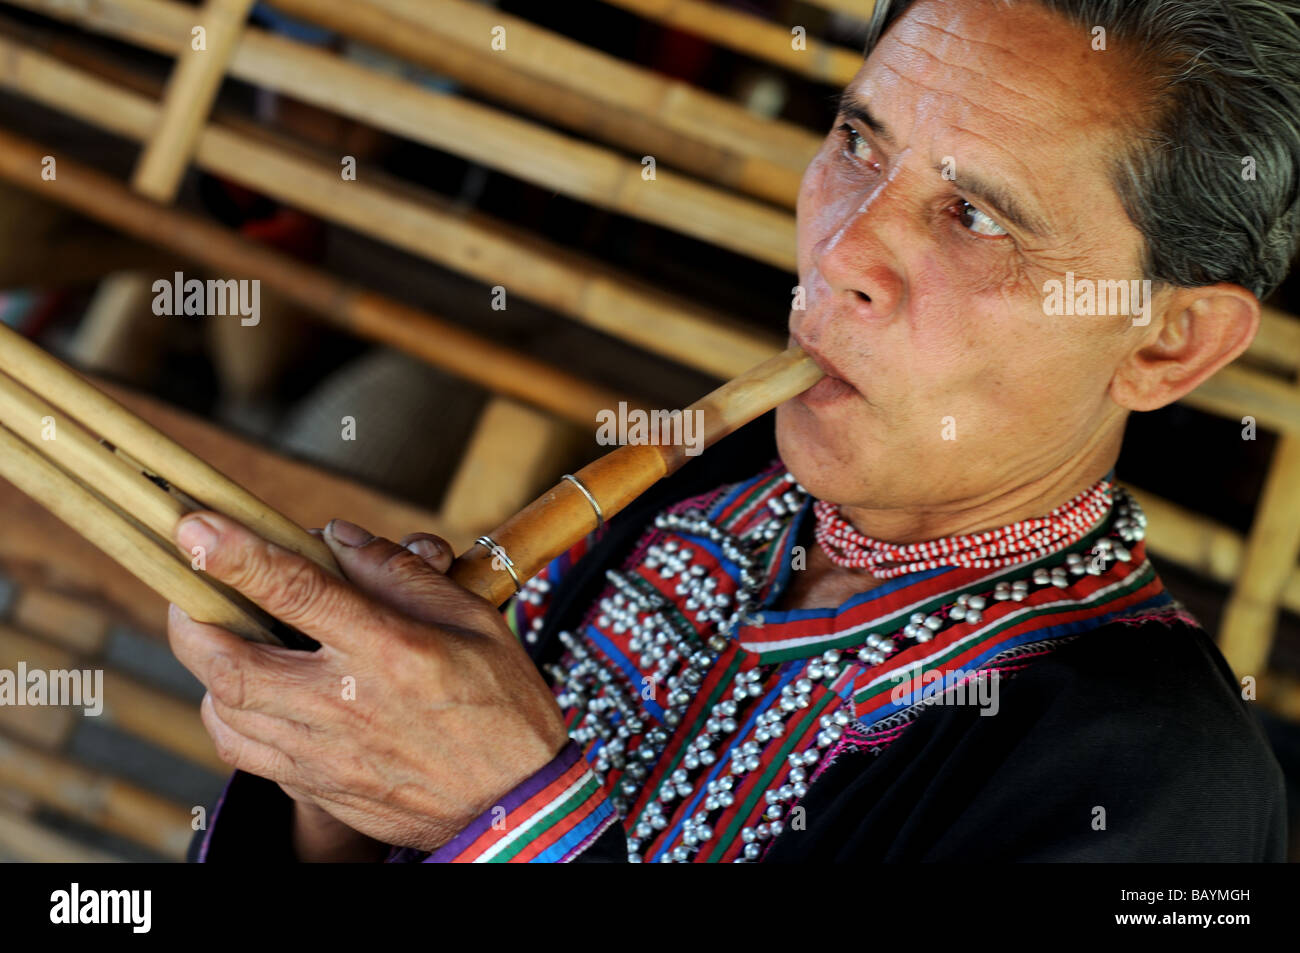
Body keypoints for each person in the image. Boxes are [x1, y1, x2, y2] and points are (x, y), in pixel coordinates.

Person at [177, 0, 1296, 862]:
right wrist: (335, 799)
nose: (843, 253)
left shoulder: (1165, 784)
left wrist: (504, 813)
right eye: (858, 145)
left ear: (1168, 344)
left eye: (971, 216)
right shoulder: (691, 492)